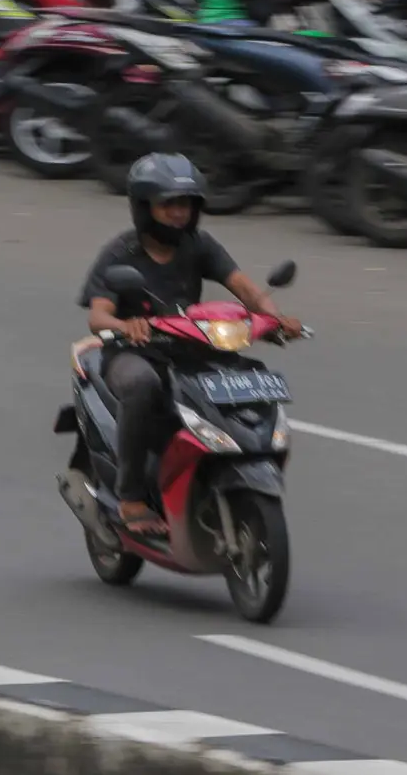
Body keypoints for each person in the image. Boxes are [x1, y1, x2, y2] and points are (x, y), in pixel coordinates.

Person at [80, 153, 303, 536]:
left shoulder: (198, 244)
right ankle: (131, 496)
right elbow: (97, 317)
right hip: (134, 353)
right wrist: (126, 324)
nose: (179, 213)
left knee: (247, 379)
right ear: (145, 207)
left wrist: (275, 318)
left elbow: (246, 289)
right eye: (169, 204)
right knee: (142, 387)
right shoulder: (121, 253)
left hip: (193, 348)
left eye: (185, 204)